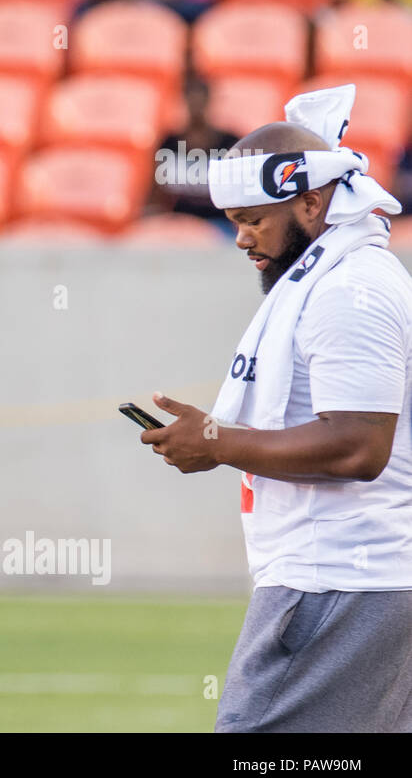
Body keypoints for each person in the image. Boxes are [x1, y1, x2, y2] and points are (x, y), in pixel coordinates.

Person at [142, 84, 412, 732]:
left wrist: (217, 442)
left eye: (253, 219)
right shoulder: (340, 275)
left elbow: (358, 446)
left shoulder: (350, 289)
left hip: (340, 579)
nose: (240, 239)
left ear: (312, 203)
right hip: (355, 578)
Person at [148, 73, 238, 228]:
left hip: (219, 224)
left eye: (200, 101)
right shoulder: (169, 144)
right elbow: (158, 193)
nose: (196, 107)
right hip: (179, 223)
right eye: (192, 101)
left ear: (209, 101)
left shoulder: (230, 143)